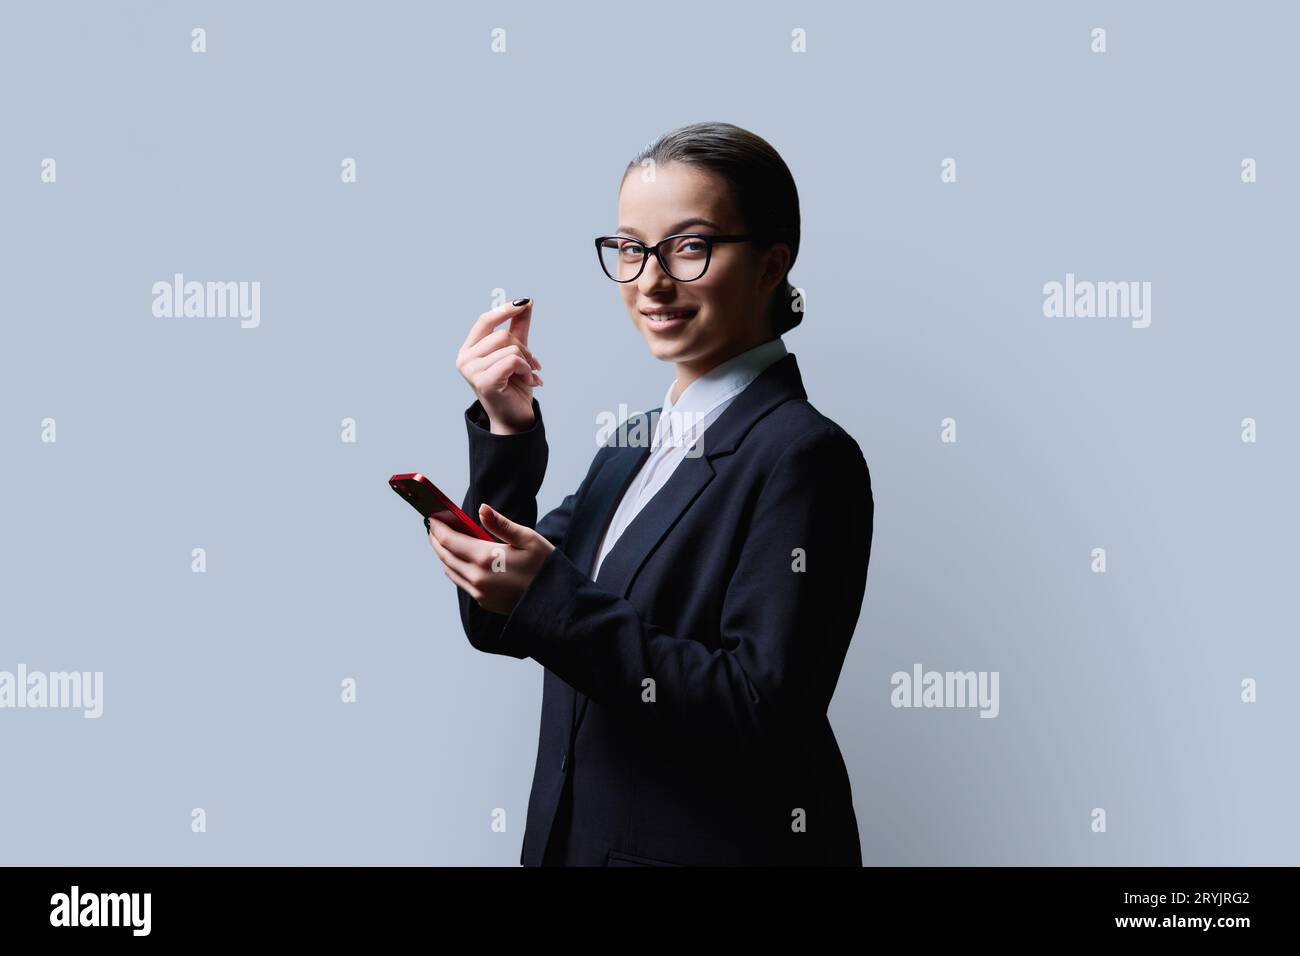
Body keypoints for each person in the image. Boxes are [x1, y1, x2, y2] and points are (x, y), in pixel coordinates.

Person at [426, 121, 874, 866]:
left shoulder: (805, 457)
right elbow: (500, 622)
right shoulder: (632, 445)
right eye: (632, 249)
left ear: (772, 263)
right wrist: (508, 432)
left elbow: (760, 710)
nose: (651, 281)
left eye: (689, 246)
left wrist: (547, 595)